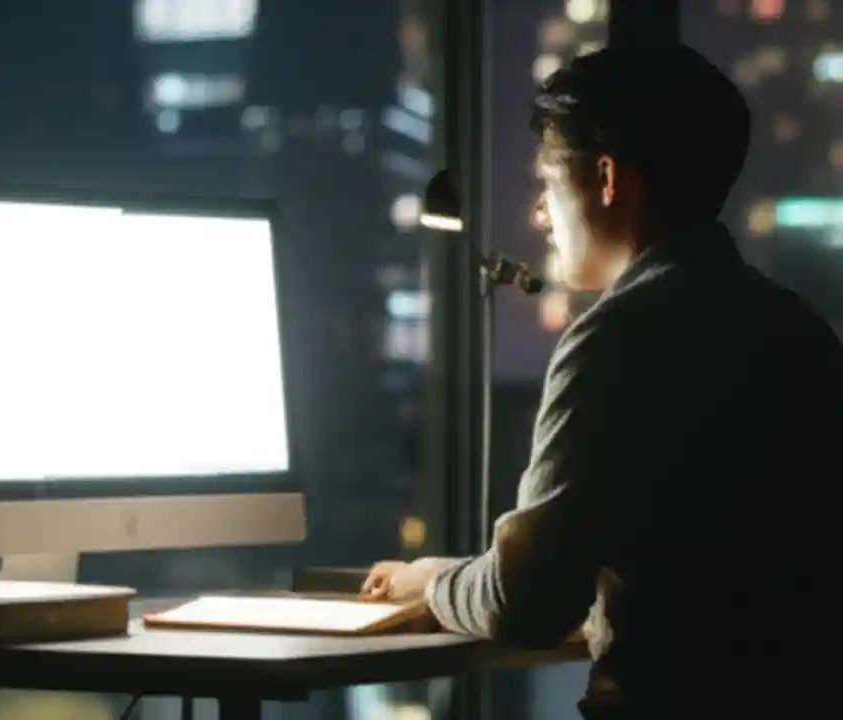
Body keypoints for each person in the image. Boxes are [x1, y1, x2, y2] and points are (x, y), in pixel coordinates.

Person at [360, 43, 843, 719]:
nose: (540, 216)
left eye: (549, 185)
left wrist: (431, 581)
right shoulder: (796, 327)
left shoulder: (621, 336)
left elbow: (519, 604)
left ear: (608, 178)